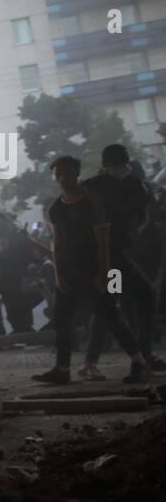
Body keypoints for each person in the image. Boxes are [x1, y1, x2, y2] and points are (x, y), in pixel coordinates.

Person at [32, 156, 151, 385]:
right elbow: (56, 243)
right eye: (58, 174)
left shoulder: (93, 201)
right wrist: (58, 274)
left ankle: (139, 362)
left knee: (110, 314)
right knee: (62, 319)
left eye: (67, 173)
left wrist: (104, 272)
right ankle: (63, 368)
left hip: (98, 269)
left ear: (76, 173)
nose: (63, 179)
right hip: (69, 271)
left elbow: (102, 239)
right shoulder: (56, 207)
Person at [79, 144, 166, 379]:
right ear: (107, 166)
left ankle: (92, 360)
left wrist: (134, 230)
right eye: (116, 164)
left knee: (110, 304)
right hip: (109, 259)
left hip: (115, 256)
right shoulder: (97, 187)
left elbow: (144, 216)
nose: (120, 168)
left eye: (122, 164)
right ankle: (142, 356)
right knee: (131, 298)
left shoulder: (127, 185)